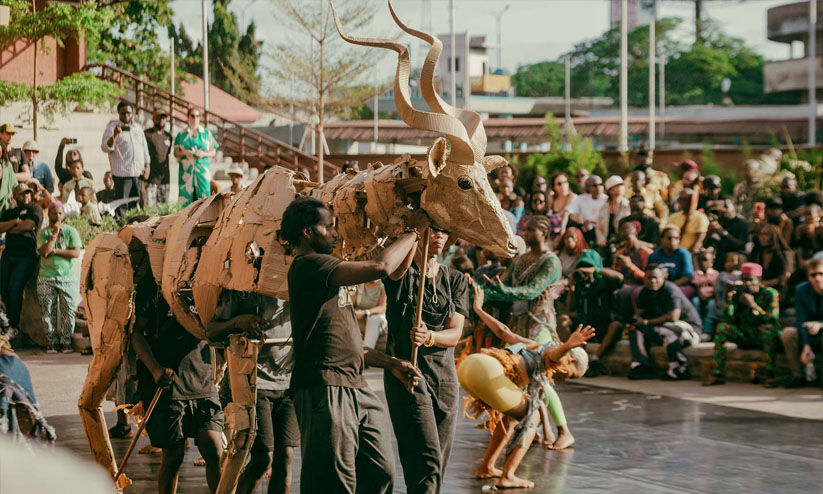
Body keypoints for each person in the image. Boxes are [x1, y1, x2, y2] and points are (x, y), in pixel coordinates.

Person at [280, 197, 425, 493]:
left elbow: (353, 343)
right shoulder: (308, 265)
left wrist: (391, 363)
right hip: (326, 386)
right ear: (307, 232)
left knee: (380, 472)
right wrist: (414, 232)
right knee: (334, 482)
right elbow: (381, 267)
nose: (335, 233)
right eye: (328, 227)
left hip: (356, 385)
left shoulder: (329, 272)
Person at [382, 227, 469, 494]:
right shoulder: (402, 274)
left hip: (444, 379)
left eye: (444, 232)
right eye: (433, 230)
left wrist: (430, 336)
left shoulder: (455, 279)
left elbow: (455, 333)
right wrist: (412, 236)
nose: (439, 236)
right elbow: (392, 271)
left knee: (437, 464)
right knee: (425, 460)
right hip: (408, 374)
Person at [458, 324, 593, 489]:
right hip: (487, 371)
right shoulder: (557, 354)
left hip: (470, 365)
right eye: (571, 375)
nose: (565, 380)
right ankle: (508, 476)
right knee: (532, 416)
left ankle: (487, 467)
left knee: (512, 418)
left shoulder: (534, 346)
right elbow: (555, 355)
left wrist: (479, 311)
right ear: (571, 360)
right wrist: (568, 345)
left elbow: (505, 332)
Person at [130, 275, 224, 494]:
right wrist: (155, 369)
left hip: (202, 377)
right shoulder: (153, 282)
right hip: (167, 383)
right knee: (173, 455)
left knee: (213, 451)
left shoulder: (205, 277)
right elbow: (136, 333)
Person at [208, 290, 295, 494]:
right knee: (263, 458)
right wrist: (238, 322)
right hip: (253, 383)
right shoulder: (242, 290)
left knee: (286, 457)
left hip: (288, 382)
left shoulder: (293, 284)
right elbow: (212, 331)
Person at [484, 215, 563, 341]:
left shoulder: (550, 261)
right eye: (525, 230)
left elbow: (532, 291)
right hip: (517, 322)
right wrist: (480, 289)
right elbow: (503, 283)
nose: (525, 234)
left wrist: (503, 289)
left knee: (535, 352)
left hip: (539, 324)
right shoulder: (520, 259)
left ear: (544, 233)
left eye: (531, 230)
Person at [704, 262, 781, 386]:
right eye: (744, 280)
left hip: (761, 335)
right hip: (744, 335)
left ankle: (769, 373)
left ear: (759, 280)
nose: (747, 283)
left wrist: (753, 306)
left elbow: (772, 320)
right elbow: (729, 319)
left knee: (768, 329)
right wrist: (728, 298)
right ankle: (718, 373)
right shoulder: (739, 293)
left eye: (750, 280)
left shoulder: (770, 293)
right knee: (722, 328)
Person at [626, 264, 701, 380]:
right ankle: (643, 366)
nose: (653, 281)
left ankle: (678, 368)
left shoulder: (670, 290)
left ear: (663, 278)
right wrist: (633, 322)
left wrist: (646, 322)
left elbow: (673, 317)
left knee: (667, 329)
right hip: (661, 328)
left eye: (656, 277)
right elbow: (639, 314)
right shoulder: (645, 292)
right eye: (649, 278)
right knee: (635, 331)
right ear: (644, 279)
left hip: (689, 330)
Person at [36, 201, 82, 353]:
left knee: (68, 310)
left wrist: (55, 252)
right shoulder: (43, 233)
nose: (57, 216)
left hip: (67, 277)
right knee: (47, 311)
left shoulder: (71, 231)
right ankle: (51, 343)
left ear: (64, 215)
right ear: (48, 214)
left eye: (60, 213)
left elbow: (75, 253)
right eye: (54, 213)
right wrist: (54, 235)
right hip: (46, 277)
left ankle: (66, 342)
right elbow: (44, 252)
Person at [0, 184, 43, 334]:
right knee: (3, 287)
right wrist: (15, 222)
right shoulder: (9, 212)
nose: (26, 196)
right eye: (22, 194)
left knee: (15, 287)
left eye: (28, 193)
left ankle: (13, 326)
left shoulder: (34, 209)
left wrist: (10, 228)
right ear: (14, 197)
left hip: (25, 255)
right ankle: (6, 323)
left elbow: (28, 226)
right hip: (8, 254)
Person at [557, 249, 623, 341]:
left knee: (616, 326)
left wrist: (595, 270)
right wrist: (572, 287)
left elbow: (620, 278)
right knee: (562, 320)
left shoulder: (604, 280)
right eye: (582, 267)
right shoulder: (580, 285)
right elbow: (570, 308)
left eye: (588, 266)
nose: (585, 271)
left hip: (603, 323)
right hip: (584, 325)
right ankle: (570, 349)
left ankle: (599, 351)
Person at [781, 258, 823, 388]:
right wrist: (806, 345)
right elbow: (800, 320)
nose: (817, 278)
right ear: (808, 276)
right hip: (807, 330)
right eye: (813, 275)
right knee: (788, 333)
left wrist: (820, 324)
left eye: (821, 274)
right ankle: (797, 375)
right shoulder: (801, 290)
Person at [101, 101, 151, 201]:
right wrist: (115, 134)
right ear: (119, 114)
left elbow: (144, 149)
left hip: (138, 174)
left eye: (128, 113)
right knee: (122, 204)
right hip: (122, 176)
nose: (126, 116)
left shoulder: (138, 128)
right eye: (123, 113)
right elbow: (105, 147)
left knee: (136, 204)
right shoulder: (112, 128)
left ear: (132, 113)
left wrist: (147, 166)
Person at [174, 108, 218, 206]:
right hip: (186, 173)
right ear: (188, 117)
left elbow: (213, 151)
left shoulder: (206, 133)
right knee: (185, 204)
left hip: (202, 172)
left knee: (204, 201)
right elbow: (175, 152)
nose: (195, 118)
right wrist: (185, 152)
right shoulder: (181, 134)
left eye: (197, 116)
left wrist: (203, 154)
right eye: (192, 116)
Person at [648, 226, 695, 298]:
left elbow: (687, 277)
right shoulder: (654, 255)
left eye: (676, 238)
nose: (673, 241)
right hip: (657, 286)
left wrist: (668, 286)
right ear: (662, 239)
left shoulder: (684, 254)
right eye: (669, 238)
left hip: (680, 286)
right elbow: (648, 274)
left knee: (670, 293)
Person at [704, 196, 749, 271]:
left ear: (734, 207)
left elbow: (741, 244)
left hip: (734, 257)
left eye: (726, 206)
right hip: (718, 256)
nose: (723, 209)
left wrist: (723, 232)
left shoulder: (741, 223)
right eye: (721, 206)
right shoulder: (719, 220)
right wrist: (709, 231)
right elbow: (708, 242)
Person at [749, 223, 792, 296]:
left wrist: (762, 283)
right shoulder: (757, 253)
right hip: (756, 288)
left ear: (773, 236)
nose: (763, 237)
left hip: (777, 290)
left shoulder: (784, 254)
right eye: (760, 234)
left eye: (766, 234)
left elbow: (784, 277)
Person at [566, 175, 606, 245]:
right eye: (594, 185)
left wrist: (590, 222)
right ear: (588, 187)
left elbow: (607, 222)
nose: (598, 187)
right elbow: (568, 211)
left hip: (601, 230)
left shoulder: (607, 200)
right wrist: (574, 217)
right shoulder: (582, 198)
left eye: (600, 184)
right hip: (585, 229)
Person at [145, 111, 173, 206]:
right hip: (151, 180)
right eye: (158, 118)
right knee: (150, 210)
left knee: (164, 210)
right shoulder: (147, 134)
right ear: (153, 119)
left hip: (165, 179)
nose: (161, 120)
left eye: (164, 118)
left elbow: (167, 154)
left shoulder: (168, 136)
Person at [595, 175, 630, 251]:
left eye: (621, 185)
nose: (620, 187)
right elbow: (598, 228)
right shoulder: (604, 207)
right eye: (617, 186)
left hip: (622, 243)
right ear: (610, 190)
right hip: (606, 243)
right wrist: (601, 240)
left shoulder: (628, 205)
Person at [691, 249, 719, 336]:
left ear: (711, 262)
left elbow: (716, 289)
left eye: (705, 260)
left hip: (711, 298)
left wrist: (710, 297)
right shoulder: (696, 274)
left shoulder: (715, 274)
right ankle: (697, 326)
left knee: (711, 304)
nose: (702, 262)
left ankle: (708, 330)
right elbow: (696, 287)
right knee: (695, 301)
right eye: (701, 260)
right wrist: (701, 296)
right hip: (700, 297)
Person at [354, 280, 388, 350]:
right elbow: (351, 303)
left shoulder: (383, 286)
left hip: (375, 318)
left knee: (374, 319)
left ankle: (366, 349)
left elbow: (383, 308)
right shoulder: (360, 284)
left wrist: (365, 312)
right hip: (359, 318)